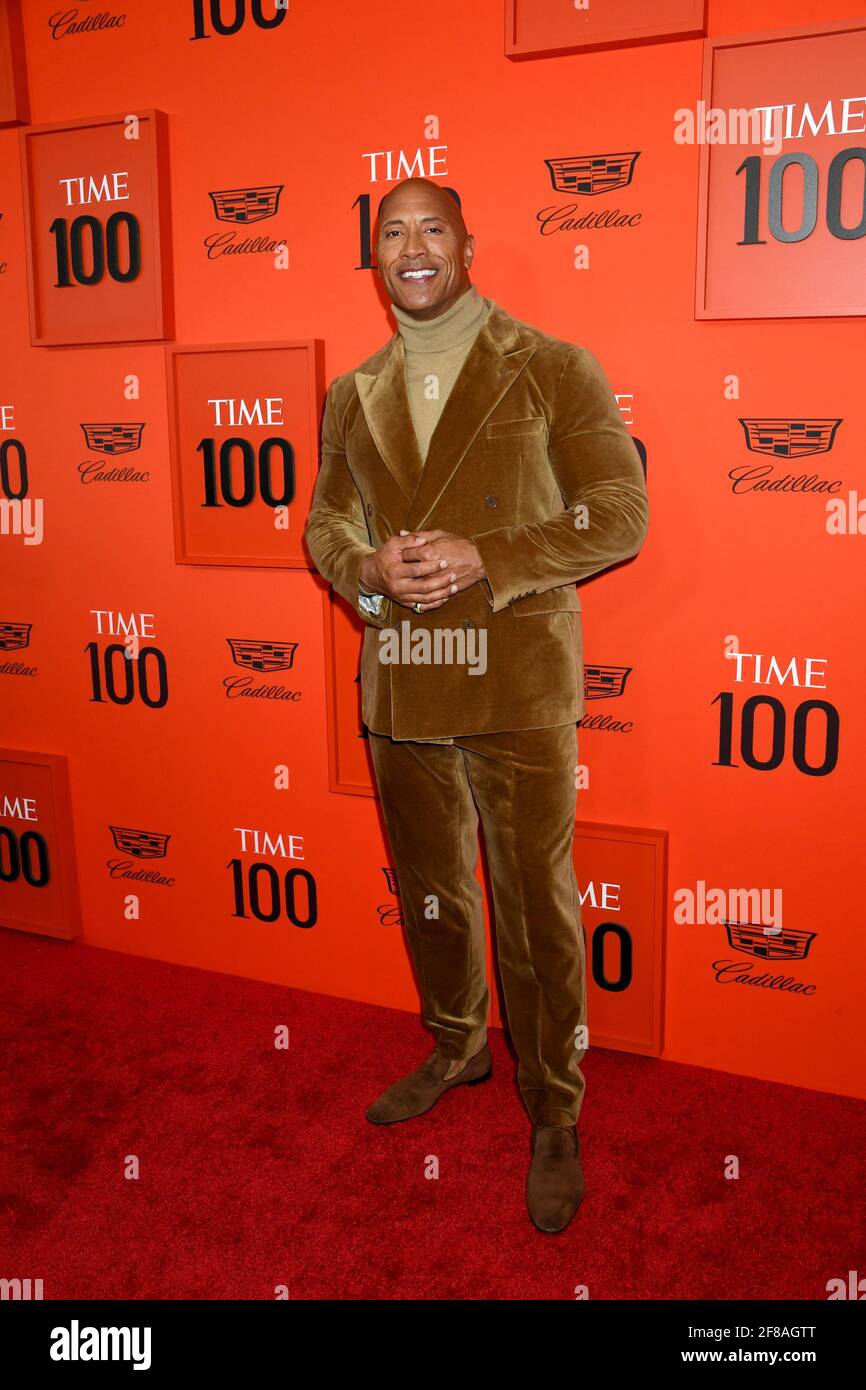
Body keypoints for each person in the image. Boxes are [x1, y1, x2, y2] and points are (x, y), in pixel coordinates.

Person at [304, 176, 648, 1233]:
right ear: (374, 260)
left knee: (534, 902)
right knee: (431, 889)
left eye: (428, 229)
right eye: (389, 234)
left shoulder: (548, 367)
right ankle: (455, 1046)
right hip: (402, 678)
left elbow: (617, 514)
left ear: (465, 244)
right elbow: (324, 526)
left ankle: (554, 1104)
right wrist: (368, 573)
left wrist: (481, 556)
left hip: (513, 679)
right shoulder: (351, 392)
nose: (410, 248)